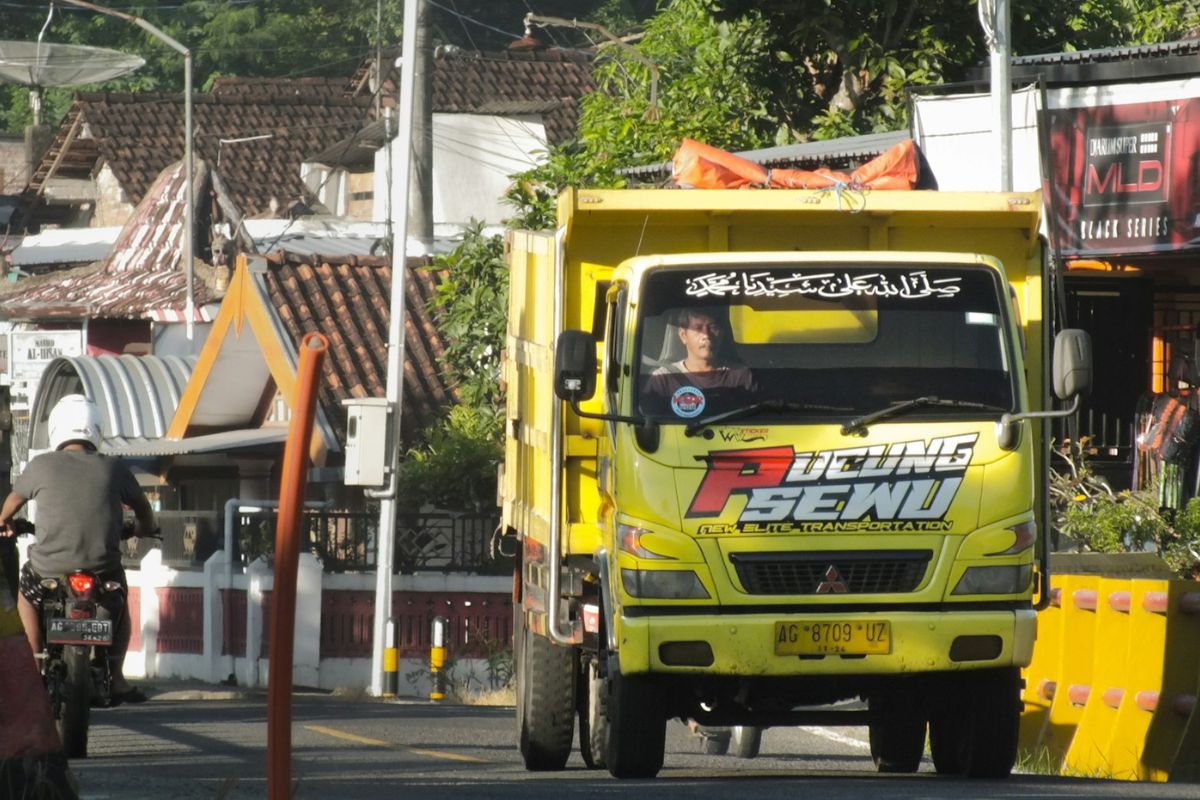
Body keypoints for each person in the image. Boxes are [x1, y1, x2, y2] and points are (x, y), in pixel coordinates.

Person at [0, 394, 156, 704]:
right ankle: (117, 678)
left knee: (27, 595)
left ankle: (35, 666)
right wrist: (144, 528)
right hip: (102, 569)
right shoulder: (114, 468)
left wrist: (4, 522)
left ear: (57, 429)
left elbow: (12, 503)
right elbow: (143, 509)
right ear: (96, 428)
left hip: (48, 570)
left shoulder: (41, 465)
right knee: (120, 599)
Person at [644, 308, 754, 414]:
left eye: (713, 328)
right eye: (698, 328)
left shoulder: (740, 376)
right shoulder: (663, 379)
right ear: (683, 335)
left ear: (722, 333)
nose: (706, 335)